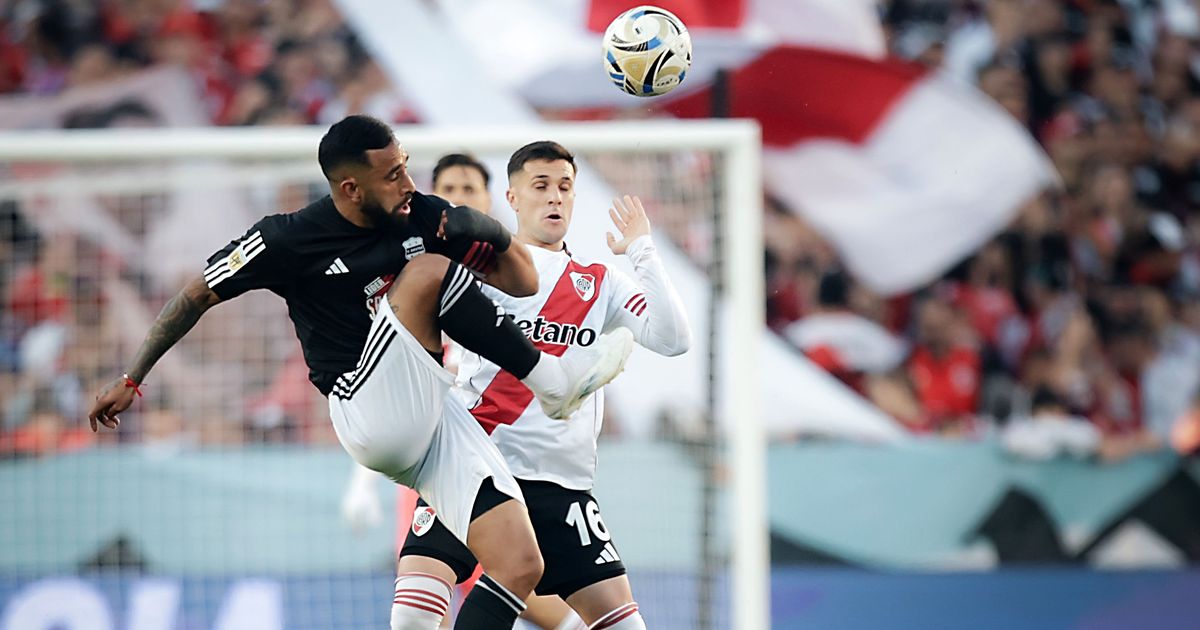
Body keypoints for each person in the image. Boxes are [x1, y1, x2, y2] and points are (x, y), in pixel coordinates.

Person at [87, 115, 635, 630]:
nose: (408, 182)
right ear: (351, 188)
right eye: (392, 174)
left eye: (405, 166)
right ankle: (553, 382)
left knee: (519, 564)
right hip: (363, 404)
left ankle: (552, 385)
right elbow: (195, 295)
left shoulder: (423, 214)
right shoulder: (286, 238)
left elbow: (523, 283)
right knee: (427, 272)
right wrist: (132, 378)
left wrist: (491, 231)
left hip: (431, 411)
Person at [395, 140, 691, 630]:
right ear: (511, 198)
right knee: (412, 616)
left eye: (565, 187)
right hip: (476, 467)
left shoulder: (600, 282)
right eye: (541, 185)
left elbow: (673, 338)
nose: (555, 196)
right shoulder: (475, 272)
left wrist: (641, 249)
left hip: (560, 483)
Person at [343, 151, 586, 629]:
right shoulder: (411, 278)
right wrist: (362, 483)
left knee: (510, 581)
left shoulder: (521, 277)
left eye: (469, 190)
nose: (457, 200)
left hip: (514, 459)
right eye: (448, 191)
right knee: (428, 600)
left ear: (490, 201)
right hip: (438, 458)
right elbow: (384, 386)